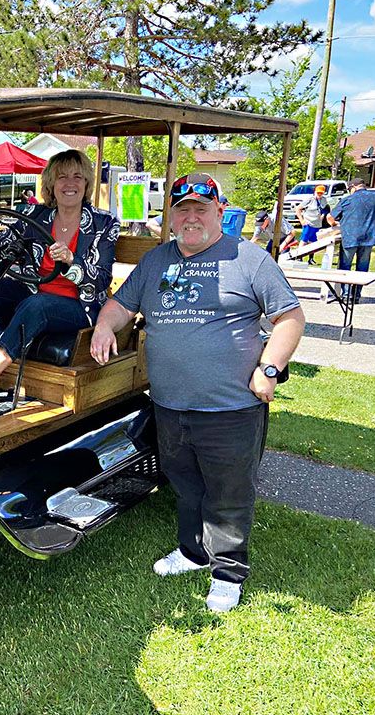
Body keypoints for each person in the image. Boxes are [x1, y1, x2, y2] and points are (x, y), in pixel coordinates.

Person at [89, 172, 305, 613]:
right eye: (182, 209)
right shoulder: (155, 262)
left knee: (228, 490)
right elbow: (120, 305)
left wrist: (269, 368)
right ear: (170, 216)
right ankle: (193, 552)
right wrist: (102, 327)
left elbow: (290, 318)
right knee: (185, 483)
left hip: (230, 407)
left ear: (219, 213)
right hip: (169, 403)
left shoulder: (249, 259)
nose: (191, 217)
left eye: (200, 209)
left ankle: (228, 571)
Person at [0, 149, 120, 406]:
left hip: (80, 305)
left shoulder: (104, 223)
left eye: (77, 177)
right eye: (62, 177)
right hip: (35, 293)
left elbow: (102, 279)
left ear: (87, 183)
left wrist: (71, 261)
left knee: (37, 305)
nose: (70, 184)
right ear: (51, 183)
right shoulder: (36, 216)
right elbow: (4, 248)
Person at [330, 177, 375, 302]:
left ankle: (346, 295)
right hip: (369, 237)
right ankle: (356, 295)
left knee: (345, 266)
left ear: (353, 187)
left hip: (350, 236)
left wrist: (335, 226)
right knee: (362, 267)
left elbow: (331, 217)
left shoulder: (347, 200)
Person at [295, 184, 330, 264]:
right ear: (315, 192)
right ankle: (299, 257)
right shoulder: (310, 199)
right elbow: (298, 208)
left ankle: (311, 259)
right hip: (308, 222)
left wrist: (322, 216)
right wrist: (302, 220)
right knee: (304, 240)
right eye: (318, 193)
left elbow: (324, 209)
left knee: (313, 242)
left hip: (317, 224)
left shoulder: (324, 200)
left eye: (321, 193)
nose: (319, 195)